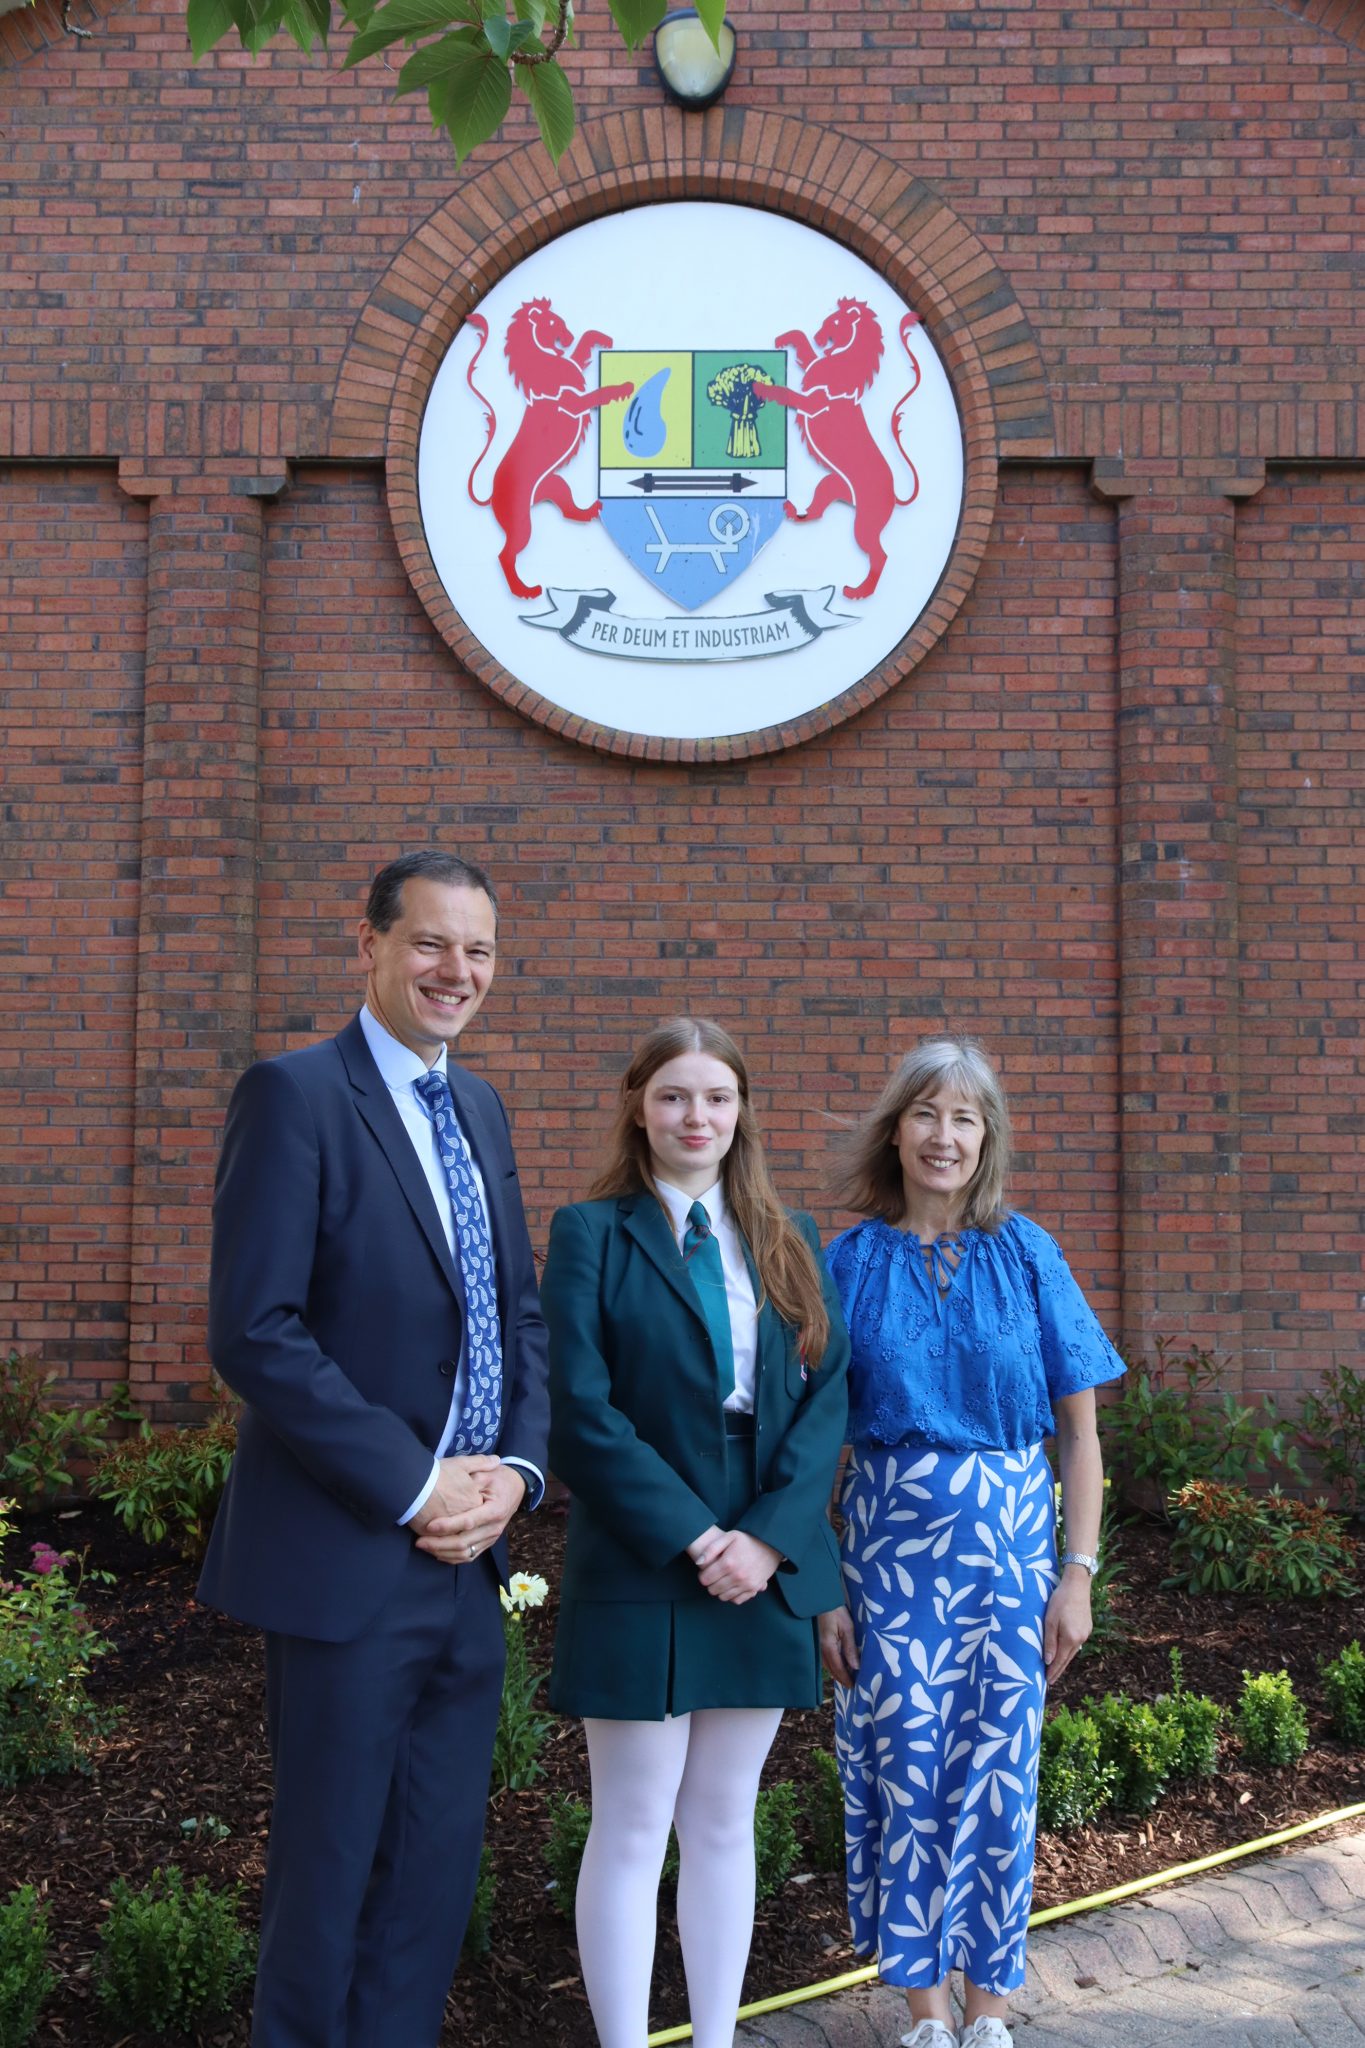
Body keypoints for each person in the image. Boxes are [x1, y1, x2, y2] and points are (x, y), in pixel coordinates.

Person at [198, 850, 550, 2048]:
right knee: (331, 1867)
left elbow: (516, 1316)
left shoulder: (483, 1107)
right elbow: (256, 1328)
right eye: (433, 943)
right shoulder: (295, 1096)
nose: (459, 971)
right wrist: (414, 1481)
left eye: (481, 950)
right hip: (351, 1551)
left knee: (432, 1877)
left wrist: (514, 1473)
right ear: (370, 944)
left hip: (471, 1557)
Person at [540, 1017, 850, 2048]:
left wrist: (763, 1537)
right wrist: (693, 1534)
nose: (696, 1116)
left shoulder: (788, 1233)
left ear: (741, 1111)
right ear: (639, 1104)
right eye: (674, 1094)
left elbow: (827, 1397)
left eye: (717, 1096)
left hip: (761, 1552)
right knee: (631, 1823)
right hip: (639, 1542)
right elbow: (580, 1412)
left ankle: (716, 2038)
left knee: (724, 1818)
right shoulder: (591, 1232)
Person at [819, 1037, 1124, 2048]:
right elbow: (809, 1435)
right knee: (903, 1765)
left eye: (965, 1117)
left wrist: (1076, 1573)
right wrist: (824, 1586)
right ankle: (923, 2010)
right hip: (885, 1555)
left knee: (1000, 1771)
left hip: (1011, 1557)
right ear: (895, 1128)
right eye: (926, 1113)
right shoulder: (849, 1260)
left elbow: (1079, 1434)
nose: (944, 1135)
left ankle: (990, 2007)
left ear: (985, 1136)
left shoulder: (1026, 1250)